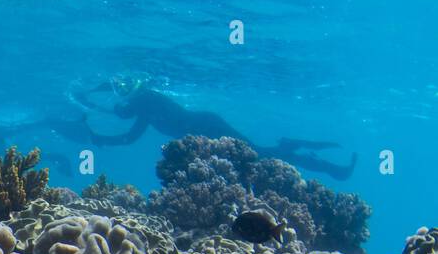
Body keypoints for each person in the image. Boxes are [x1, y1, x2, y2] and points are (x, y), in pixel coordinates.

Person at [77, 80, 357, 180]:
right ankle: (312, 158)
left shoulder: (144, 101)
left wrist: (96, 121)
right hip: (207, 127)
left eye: (124, 95)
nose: (122, 103)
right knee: (260, 156)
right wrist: (100, 136)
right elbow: (129, 135)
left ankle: (309, 156)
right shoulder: (145, 106)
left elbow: (127, 128)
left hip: (208, 127)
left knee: (259, 156)